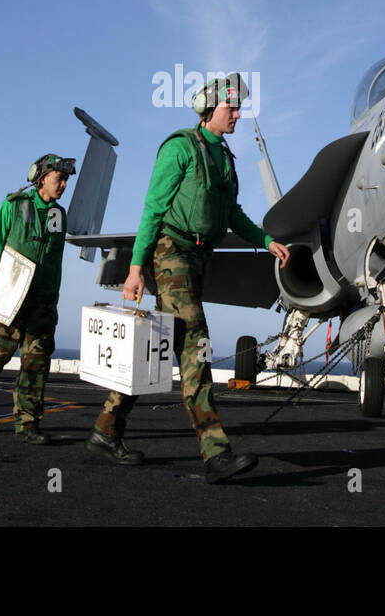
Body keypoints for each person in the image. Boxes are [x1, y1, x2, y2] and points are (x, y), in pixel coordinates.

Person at [87, 74, 291, 483]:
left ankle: (106, 429)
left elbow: (232, 214)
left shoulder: (225, 158)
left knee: (156, 351)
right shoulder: (180, 148)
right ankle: (216, 453)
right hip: (171, 254)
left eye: (237, 108)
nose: (236, 114)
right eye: (230, 108)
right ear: (208, 110)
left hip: (198, 260)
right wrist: (135, 270)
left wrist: (265, 240)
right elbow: (152, 209)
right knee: (197, 344)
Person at [0, 154, 74, 444]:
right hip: (8, 298)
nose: (63, 184)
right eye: (59, 179)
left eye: (66, 180)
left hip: (42, 302)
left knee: (36, 363)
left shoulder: (60, 215)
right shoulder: (14, 205)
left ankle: (27, 424)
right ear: (42, 178)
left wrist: (53, 297)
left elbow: (55, 259)